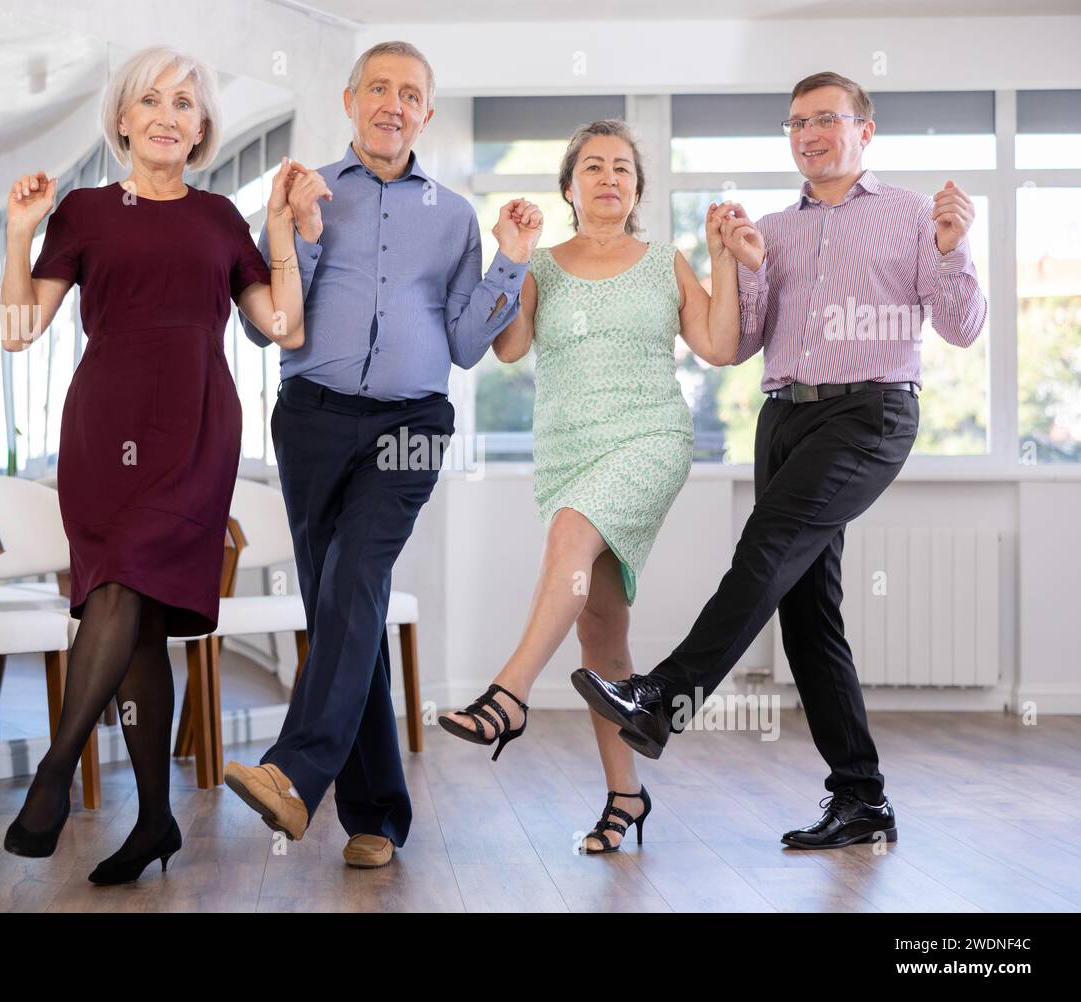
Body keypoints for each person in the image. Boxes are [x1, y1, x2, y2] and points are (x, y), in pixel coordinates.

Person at [573, 71, 987, 849]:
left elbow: (962, 328)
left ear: (865, 131)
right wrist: (741, 263)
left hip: (869, 411)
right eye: (796, 123)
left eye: (826, 120)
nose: (808, 135)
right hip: (784, 417)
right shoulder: (775, 226)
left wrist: (955, 249)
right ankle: (862, 800)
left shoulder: (911, 215)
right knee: (805, 614)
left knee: (764, 548)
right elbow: (744, 343)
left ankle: (661, 697)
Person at [227, 40, 542, 869]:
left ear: (426, 114)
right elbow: (278, 319)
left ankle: (293, 775)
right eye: (379, 89)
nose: (393, 104)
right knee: (335, 600)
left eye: (410, 93)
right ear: (350, 99)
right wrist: (294, 226)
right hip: (312, 417)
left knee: (358, 573)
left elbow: (471, 345)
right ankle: (376, 818)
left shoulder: (454, 215)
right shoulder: (309, 190)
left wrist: (510, 259)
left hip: (411, 423)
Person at [0, 45, 304, 883]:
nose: (170, 114)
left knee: (130, 583)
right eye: (152, 101)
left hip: (197, 427)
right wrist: (20, 235)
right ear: (124, 119)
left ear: (202, 127)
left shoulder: (220, 222)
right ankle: (157, 822)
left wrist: (278, 236)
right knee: (133, 622)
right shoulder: (87, 212)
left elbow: (283, 325)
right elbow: (20, 330)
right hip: (104, 430)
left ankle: (54, 774)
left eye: (186, 103)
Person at [438, 120, 740, 854]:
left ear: (637, 189)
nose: (609, 178)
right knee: (601, 633)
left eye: (623, 169)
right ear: (569, 186)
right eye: (594, 167)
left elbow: (721, 346)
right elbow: (504, 348)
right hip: (568, 451)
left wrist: (726, 260)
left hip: (649, 439)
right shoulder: (541, 265)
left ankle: (507, 695)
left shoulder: (664, 262)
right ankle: (625, 797)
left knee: (571, 536)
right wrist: (508, 258)